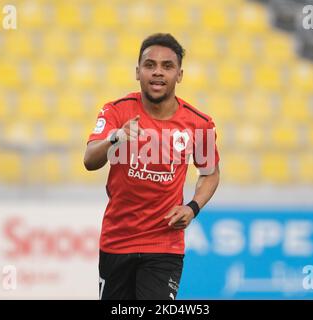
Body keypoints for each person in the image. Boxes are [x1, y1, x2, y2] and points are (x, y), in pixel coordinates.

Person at [84, 33, 220, 300]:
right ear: (138, 72)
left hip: (164, 244)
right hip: (117, 240)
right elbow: (90, 159)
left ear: (179, 74)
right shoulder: (117, 111)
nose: (158, 72)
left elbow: (210, 173)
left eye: (167, 66)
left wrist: (192, 208)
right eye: (150, 65)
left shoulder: (198, 123)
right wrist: (116, 137)